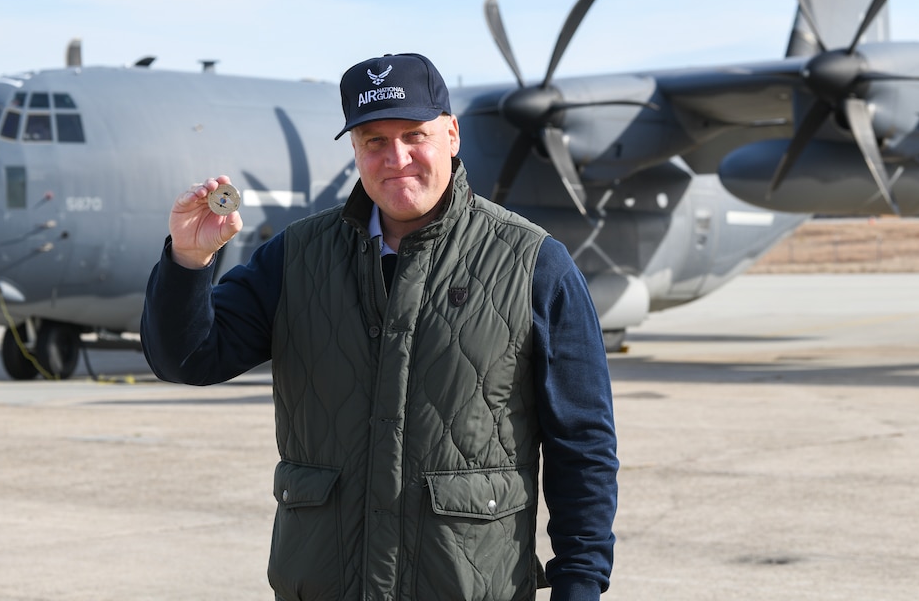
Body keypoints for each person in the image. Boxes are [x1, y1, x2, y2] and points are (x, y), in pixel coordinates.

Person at [140, 52, 618, 601]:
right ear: (354, 150)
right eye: (374, 141)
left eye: (415, 135)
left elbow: (582, 444)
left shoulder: (535, 263)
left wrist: (579, 583)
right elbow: (188, 359)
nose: (397, 158)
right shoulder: (296, 258)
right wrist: (188, 262)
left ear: (453, 134)